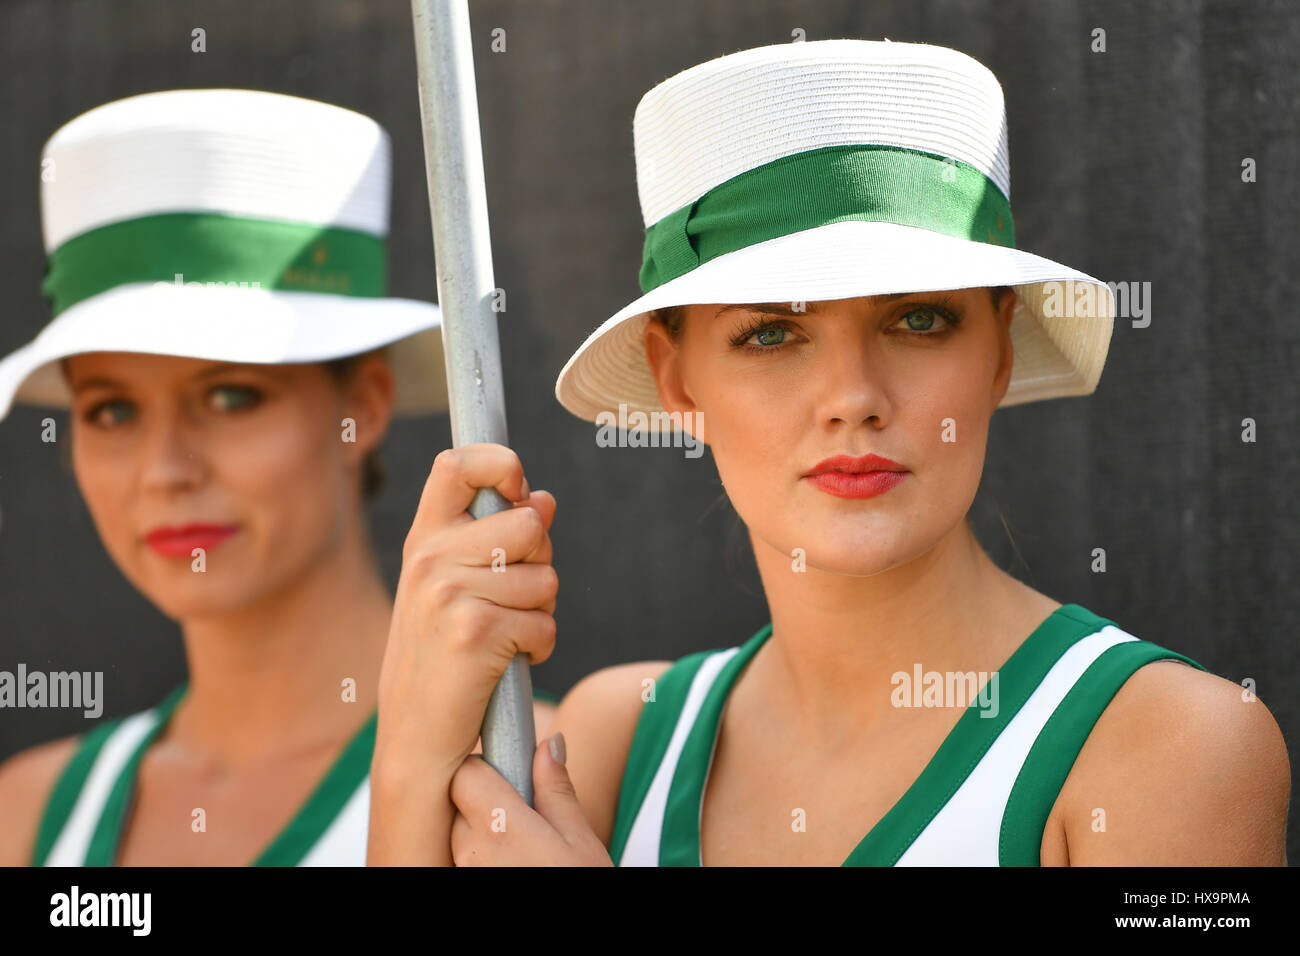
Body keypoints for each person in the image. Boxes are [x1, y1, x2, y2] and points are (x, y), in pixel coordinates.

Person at [366, 39, 1289, 865]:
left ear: (1000, 350)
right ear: (678, 381)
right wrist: (412, 753)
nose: (853, 399)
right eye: (772, 334)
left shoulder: (1175, 749)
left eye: (918, 319)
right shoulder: (615, 743)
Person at [0, 88, 556, 867]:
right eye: (111, 411)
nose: (166, 473)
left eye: (231, 396)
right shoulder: (28, 818)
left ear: (361, 404)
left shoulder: (542, 775)